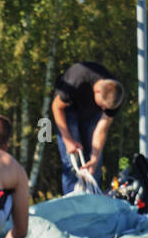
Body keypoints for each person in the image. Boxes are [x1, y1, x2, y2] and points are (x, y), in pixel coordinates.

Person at [51, 60, 124, 194]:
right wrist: (67, 140)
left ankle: (92, 201)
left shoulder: (115, 95)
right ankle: (73, 204)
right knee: (72, 162)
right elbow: (56, 107)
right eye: (102, 106)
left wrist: (95, 157)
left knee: (93, 162)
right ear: (96, 91)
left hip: (91, 115)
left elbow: (102, 128)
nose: (104, 109)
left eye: (106, 108)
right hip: (68, 110)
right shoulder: (76, 79)